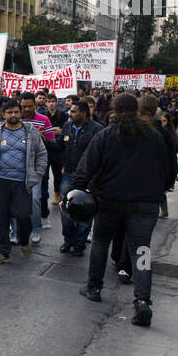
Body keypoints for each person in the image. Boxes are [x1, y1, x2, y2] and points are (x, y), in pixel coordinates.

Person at [72, 94, 177, 327]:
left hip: (109, 199)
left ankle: (94, 286)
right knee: (141, 251)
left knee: (100, 243)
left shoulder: (106, 135)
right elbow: (170, 168)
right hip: (145, 202)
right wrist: (160, 188)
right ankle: (142, 300)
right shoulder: (154, 136)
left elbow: (86, 167)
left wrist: (74, 191)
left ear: (114, 109)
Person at [0, 98, 46, 264]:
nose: (13, 115)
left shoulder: (30, 132)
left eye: (16, 112)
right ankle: (2, 251)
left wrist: (36, 175)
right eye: (9, 112)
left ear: (20, 113)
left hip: (22, 182)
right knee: (0, 216)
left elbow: (41, 154)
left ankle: (24, 240)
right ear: (3, 114)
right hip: (0, 181)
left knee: (23, 214)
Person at [56, 100, 103, 256]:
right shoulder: (67, 126)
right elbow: (59, 147)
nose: (70, 113)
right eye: (70, 111)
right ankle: (68, 240)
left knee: (84, 210)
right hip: (69, 174)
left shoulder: (97, 130)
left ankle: (79, 244)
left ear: (84, 113)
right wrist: (44, 140)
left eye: (74, 111)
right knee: (66, 207)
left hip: (88, 178)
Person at [18, 93, 55, 244]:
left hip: (35, 167)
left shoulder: (43, 120)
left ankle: (36, 229)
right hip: (17, 167)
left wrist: (43, 138)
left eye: (29, 106)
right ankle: (17, 230)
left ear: (35, 106)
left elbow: (53, 143)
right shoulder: (16, 118)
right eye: (24, 106)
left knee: (35, 199)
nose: (26, 109)